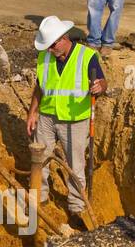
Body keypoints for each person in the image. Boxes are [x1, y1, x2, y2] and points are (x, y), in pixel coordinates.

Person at [26, 15, 107, 225]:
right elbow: (40, 87)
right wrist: (32, 112)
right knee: (40, 158)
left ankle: (76, 208)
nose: (49, 50)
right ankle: (39, 199)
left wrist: (100, 87)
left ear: (64, 38)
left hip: (75, 120)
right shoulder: (44, 57)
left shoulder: (87, 56)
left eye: (52, 46)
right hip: (47, 115)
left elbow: (102, 82)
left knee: (75, 165)